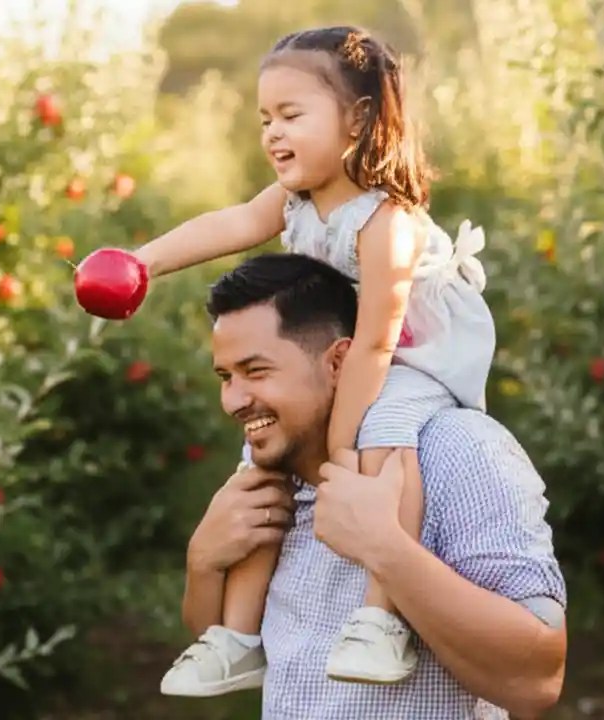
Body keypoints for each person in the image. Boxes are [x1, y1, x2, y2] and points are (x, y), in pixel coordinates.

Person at [133, 25, 497, 692]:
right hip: (341, 351)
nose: (273, 133)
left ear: (357, 119)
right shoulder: (294, 201)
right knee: (263, 457)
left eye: (292, 116)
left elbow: (381, 338)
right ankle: (238, 636)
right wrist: (142, 262)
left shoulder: (388, 221)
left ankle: (381, 620)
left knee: (386, 438)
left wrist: (339, 439)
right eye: (265, 119)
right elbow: (230, 223)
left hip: (415, 355)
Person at [171, 252, 568, 718]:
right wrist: (203, 562)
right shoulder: (271, 481)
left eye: (256, 371)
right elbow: (226, 649)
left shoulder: (457, 449)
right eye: (225, 377)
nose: (234, 401)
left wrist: (385, 549)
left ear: (339, 361)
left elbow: (538, 679)